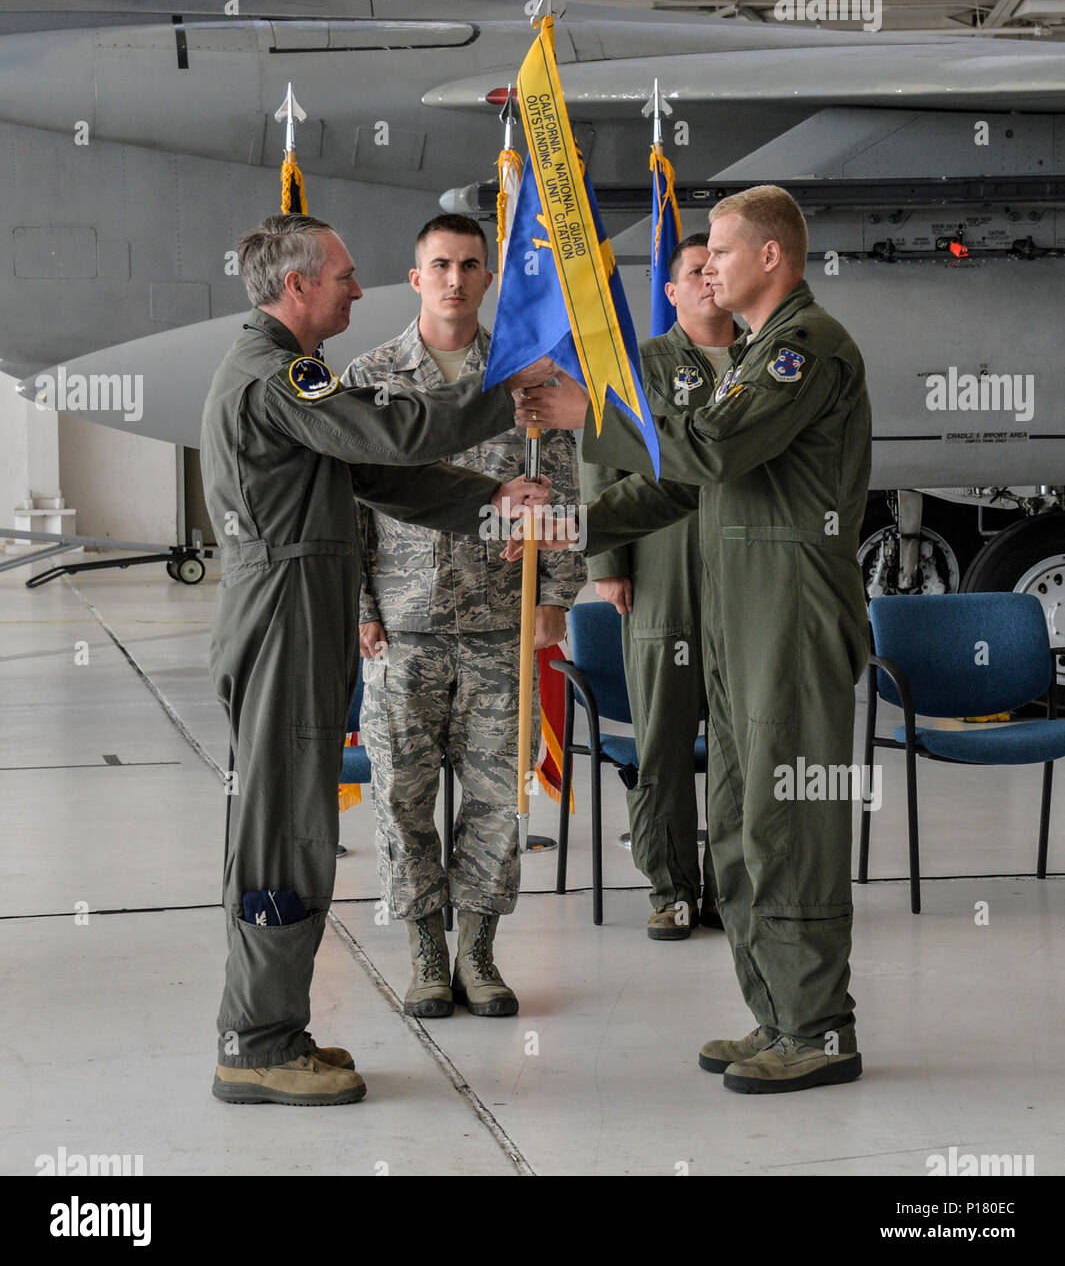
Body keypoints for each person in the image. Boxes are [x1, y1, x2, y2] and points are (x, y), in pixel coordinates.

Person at [510, 186, 871, 1094]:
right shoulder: (752, 351)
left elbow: (706, 452)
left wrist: (591, 414)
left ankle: (819, 1030)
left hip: (788, 615)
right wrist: (572, 525)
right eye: (702, 258)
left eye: (720, 253)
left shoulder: (801, 347)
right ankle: (778, 1013)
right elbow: (683, 485)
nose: (706, 269)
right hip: (740, 614)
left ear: (770, 258)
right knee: (742, 822)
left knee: (788, 822)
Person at [201, 213, 553, 1106]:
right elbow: (388, 436)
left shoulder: (290, 373)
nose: (359, 290)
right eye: (345, 276)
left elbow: (381, 475)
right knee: (283, 828)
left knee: (296, 819)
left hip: (299, 611)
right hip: (284, 614)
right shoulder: (277, 373)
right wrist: (502, 393)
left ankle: (276, 1028)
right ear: (296, 287)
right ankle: (255, 1043)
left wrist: (491, 500)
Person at [341, 214, 583, 1020]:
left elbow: (562, 494)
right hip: (403, 626)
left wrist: (554, 597)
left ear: (486, 278)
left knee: (495, 799)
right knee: (400, 799)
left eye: (469, 264)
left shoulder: (527, 380)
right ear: (416, 278)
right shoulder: (372, 376)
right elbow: (349, 505)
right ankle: (424, 954)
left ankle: (477, 954)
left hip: (497, 625)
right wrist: (360, 608)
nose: (453, 278)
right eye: (439, 264)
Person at [581, 233, 740, 941]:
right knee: (662, 743)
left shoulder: (760, 361)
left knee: (740, 745)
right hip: (660, 570)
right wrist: (607, 564)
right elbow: (601, 461)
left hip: (744, 577)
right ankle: (670, 889)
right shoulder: (641, 366)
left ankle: (731, 889)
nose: (709, 280)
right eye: (695, 271)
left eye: (717, 269)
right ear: (671, 291)